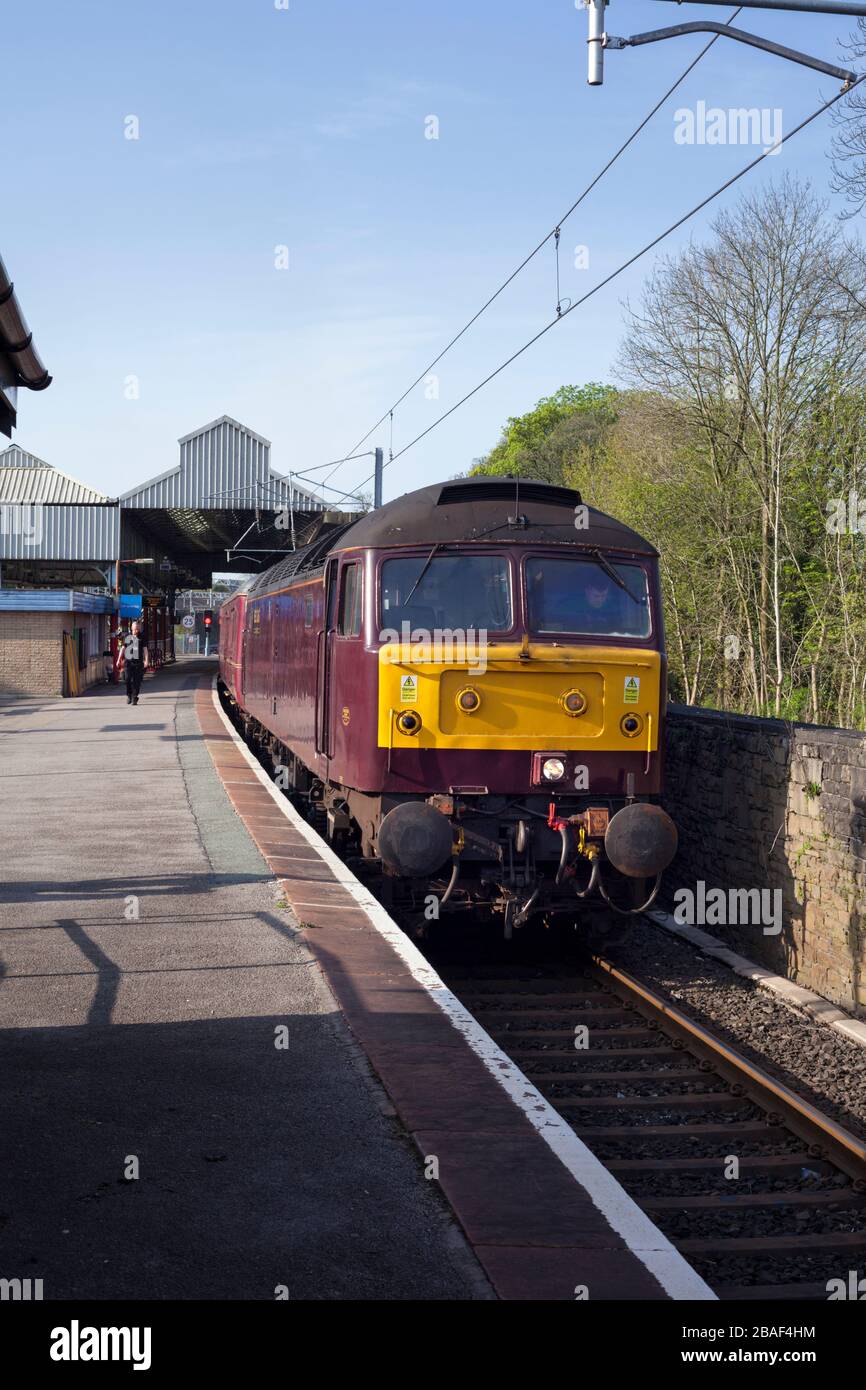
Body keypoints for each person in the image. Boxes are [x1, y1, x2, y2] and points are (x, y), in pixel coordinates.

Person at [116, 621, 148, 704]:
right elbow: (123, 648)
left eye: (138, 628)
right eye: (135, 629)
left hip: (138, 663)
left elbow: (145, 650)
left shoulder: (142, 637)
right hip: (128, 662)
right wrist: (119, 659)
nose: (137, 630)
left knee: (137, 681)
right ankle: (129, 695)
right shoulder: (127, 636)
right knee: (127, 679)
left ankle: (134, 697)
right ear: (132, 629)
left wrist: (146, 660)